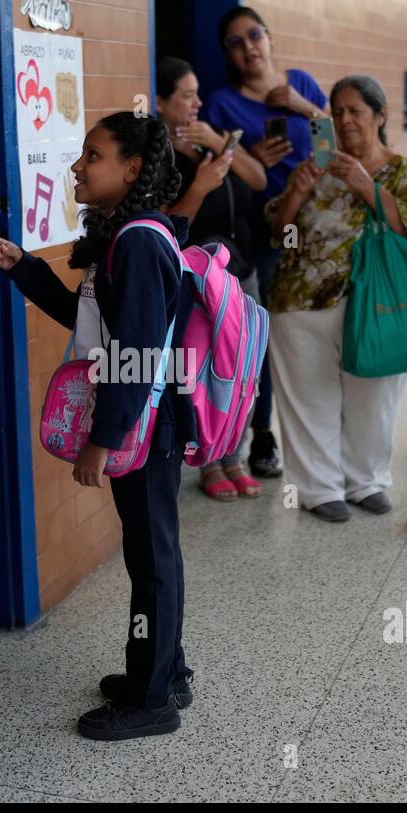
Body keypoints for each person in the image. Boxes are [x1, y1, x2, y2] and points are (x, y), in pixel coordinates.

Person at [0, 113, 196, 740]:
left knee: (153, 557)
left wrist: (100, 442)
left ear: (131, 169)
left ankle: (152, 700)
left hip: (145, 425)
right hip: (145, 418)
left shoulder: (137, 242)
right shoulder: (127, 236)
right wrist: (25, 268)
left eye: (92, 155)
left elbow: (133, 355)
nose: (78, 166)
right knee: (152, 552)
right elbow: (92, 323)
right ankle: (165, 672)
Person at [265, 76, 407, 522]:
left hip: (374, 303)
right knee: (309, 398)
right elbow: (280, 236)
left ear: (380, 116)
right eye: (337, 112)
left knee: (374, 399)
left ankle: (366, 480)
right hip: (300, 301)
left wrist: (366, 185)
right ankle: (318, 488)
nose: (344, 119)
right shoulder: (315, 168)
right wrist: (298, 192)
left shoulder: (404, 172)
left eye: (355, 110)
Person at [202, 6, 329, 479]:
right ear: (229, 55)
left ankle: (321, 433)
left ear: (269, 37)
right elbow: (215, 172)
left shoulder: (302, 84)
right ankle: (262, 434)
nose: (248, 47)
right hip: (260, 234)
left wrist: (302, 107)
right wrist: (251, 156)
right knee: (262, 337)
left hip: (316, 232)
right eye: (236, 42)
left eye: (254, 35)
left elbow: (336, 147)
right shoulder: (221, 105)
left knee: (311, 334)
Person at [155, 55, 268, 501]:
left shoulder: (208, 146)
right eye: (187, 96)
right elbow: (163, 229)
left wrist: (222, 145)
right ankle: (208, 458)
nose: (198, 102)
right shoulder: (158, 159)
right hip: (200, 285)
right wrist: (199, 186)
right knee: (206, 372)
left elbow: (257, 180)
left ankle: (234, 454)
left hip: (242, 273)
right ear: (161, 102)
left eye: (197, 93)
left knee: (246, 369)